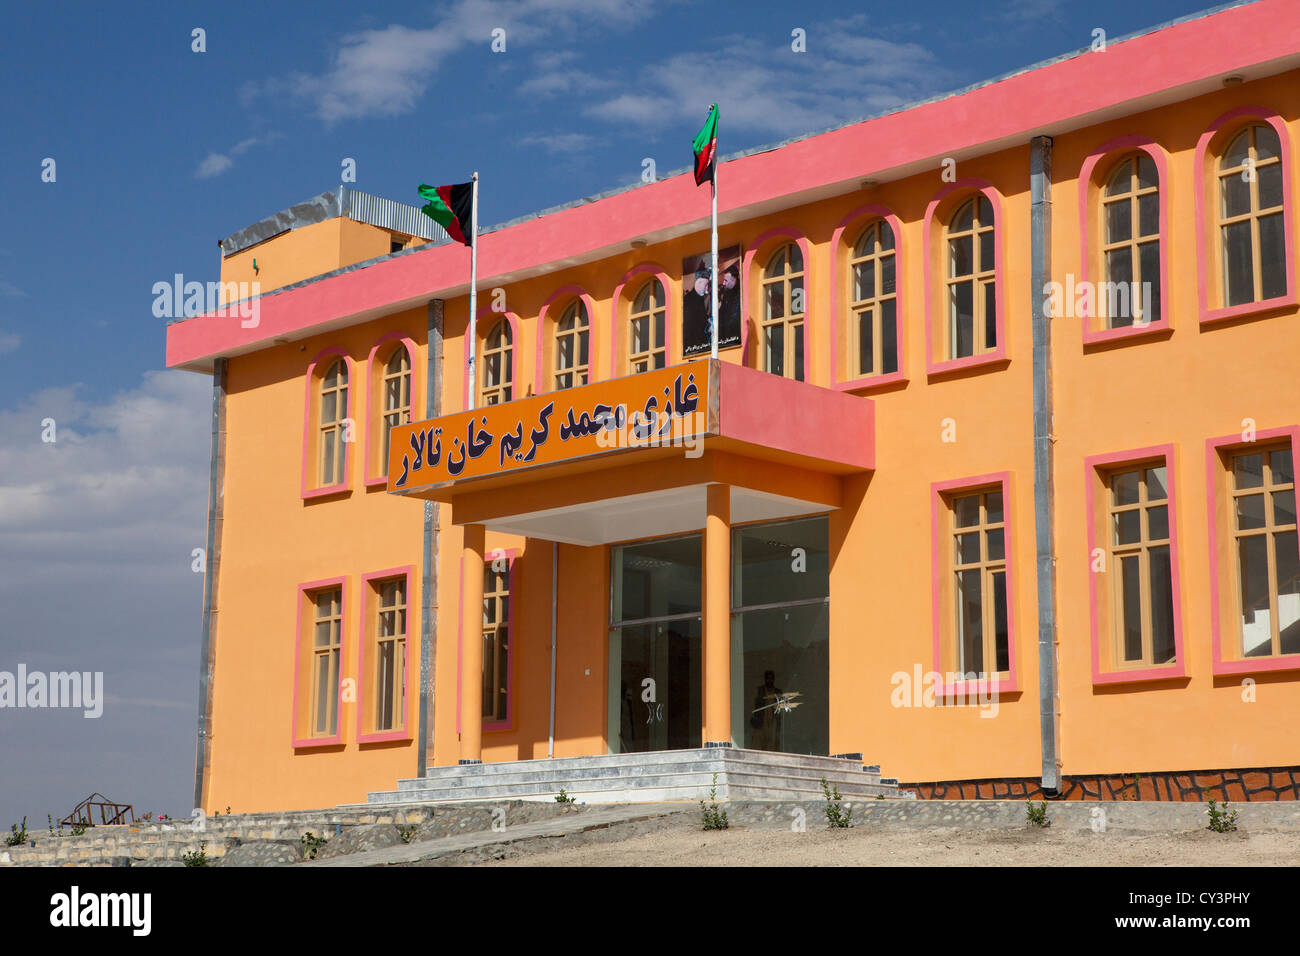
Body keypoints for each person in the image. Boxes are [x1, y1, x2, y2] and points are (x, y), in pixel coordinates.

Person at [682, 261, 712, 356]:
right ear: (699, 282)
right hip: (694, 348)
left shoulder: (698, 299)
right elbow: (693, 327)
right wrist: (708, 328)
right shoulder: (689, 301)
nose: (707, 288)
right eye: (706, 285)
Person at [751, 670, 783, 752]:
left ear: (774, 679)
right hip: (761, 720)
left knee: (772, 742)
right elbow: (754, 705)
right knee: (760, 742)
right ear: (765, 679)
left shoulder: (778, 692)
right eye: (768, 678)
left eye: (771, 678)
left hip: (773, 720)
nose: (769, 680)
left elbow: (781, 707)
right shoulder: (759, 690)